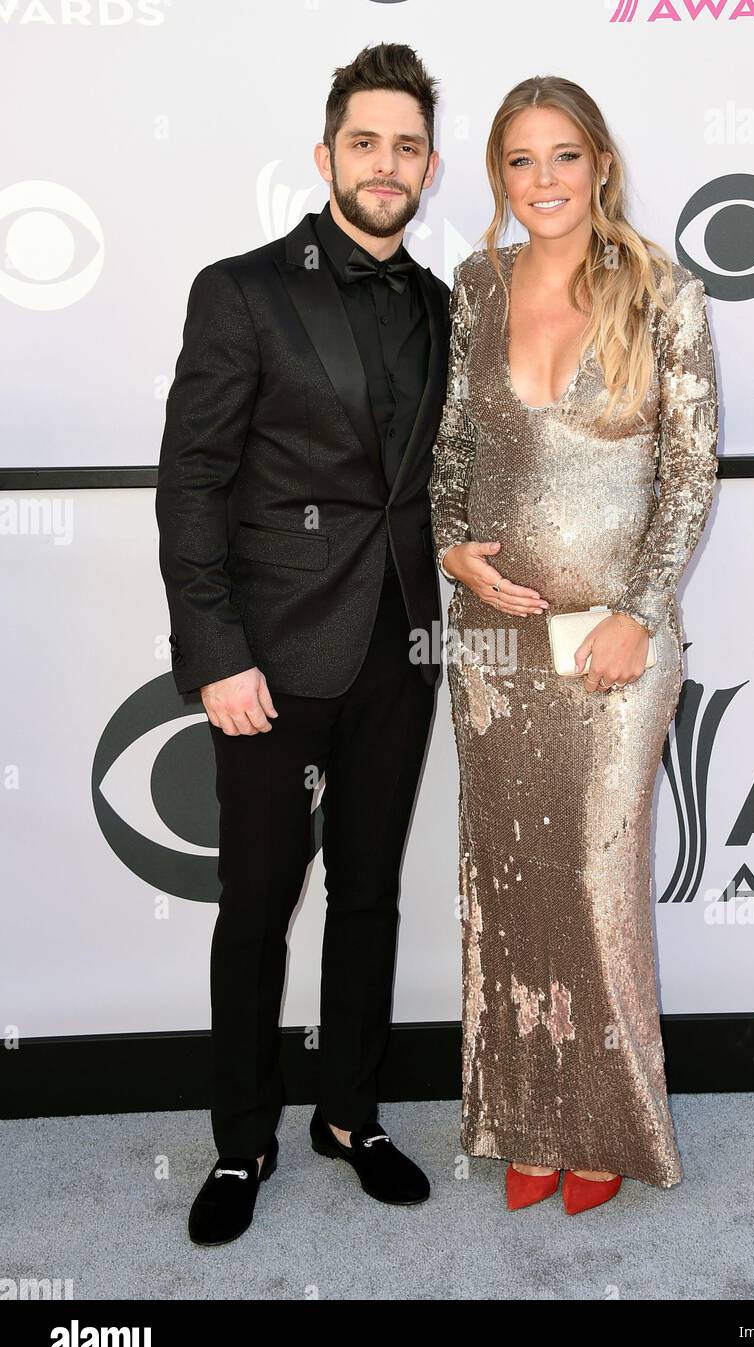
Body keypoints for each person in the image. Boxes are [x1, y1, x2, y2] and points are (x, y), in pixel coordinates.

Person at [155, 43, 450, 1245]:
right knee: (255, 904)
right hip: (269, 659)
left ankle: (351, 1113)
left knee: (370, 896)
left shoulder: (439, 304)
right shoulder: (241, 290)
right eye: (366, 142)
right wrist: (216, 653)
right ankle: (242, 1139)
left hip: (401, 647)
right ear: (327, 155)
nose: (388, 165)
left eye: (409, 146)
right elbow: (193, 479)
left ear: (429, 168)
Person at [428, 75, 719, 1215]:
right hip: (494, 645)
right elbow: (451, 442)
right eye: (518, 161)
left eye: (562, 156)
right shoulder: (475, 287)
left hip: (613, 646)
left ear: (598, 162)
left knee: (595, 886)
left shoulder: (659, 288)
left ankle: (604, 1125)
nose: (541, 181)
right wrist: (451, 546)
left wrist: (637, 613)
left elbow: (689, 472)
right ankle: (524, 1122)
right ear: (497, 178)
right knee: (508, 888)